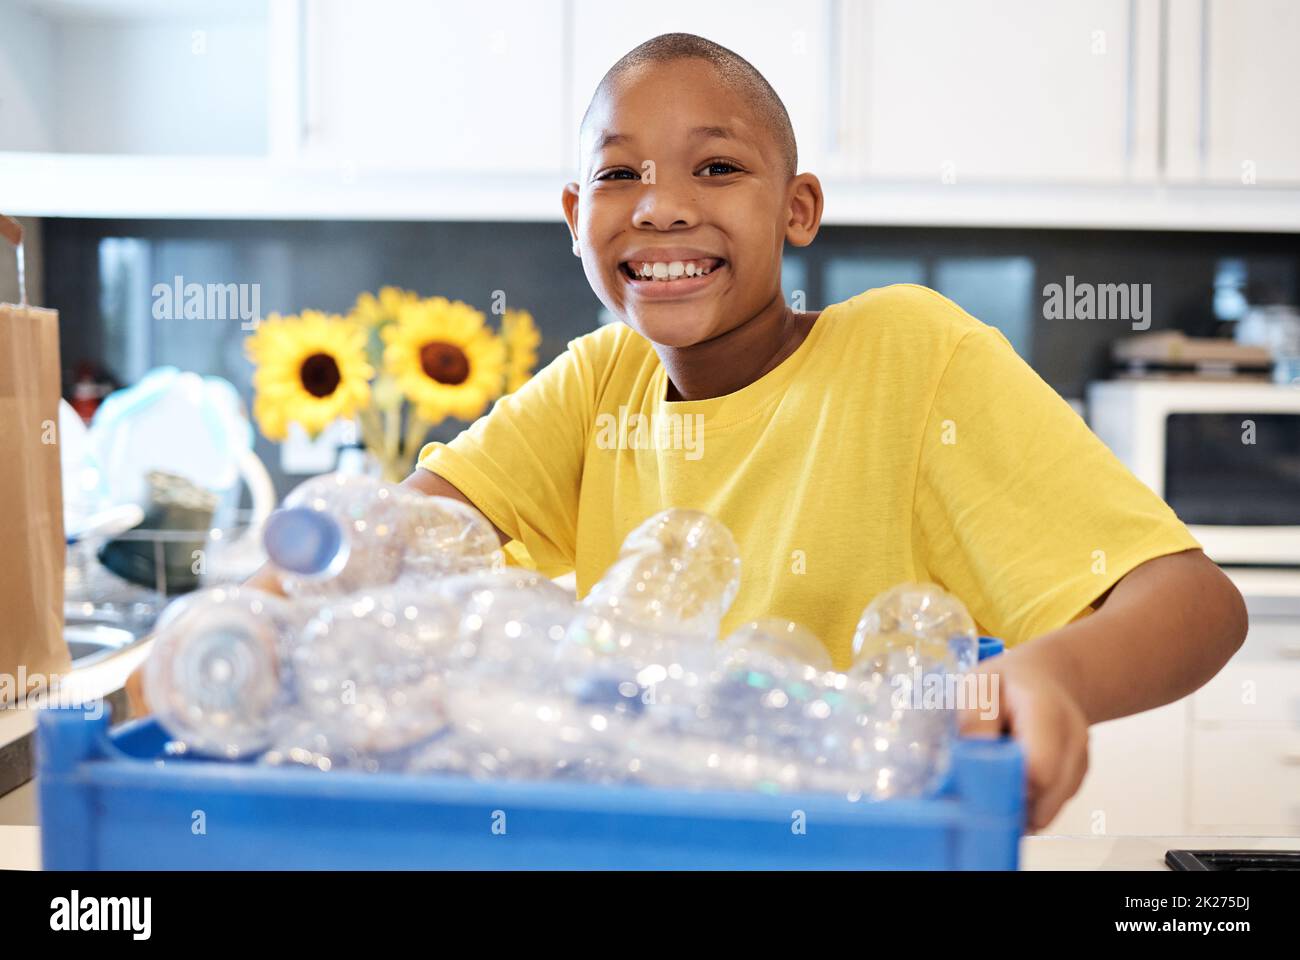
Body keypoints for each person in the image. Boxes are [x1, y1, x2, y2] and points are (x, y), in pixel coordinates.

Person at [132, 33, 1247, 831]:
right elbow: (375, 544)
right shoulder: (601, 379)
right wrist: (207, 654)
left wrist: (1044, 678)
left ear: (796, 207)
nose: (661, 207)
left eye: (716, 167)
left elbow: (1195, 604)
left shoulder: (909, 355)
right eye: (619, 175)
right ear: (577, 217)